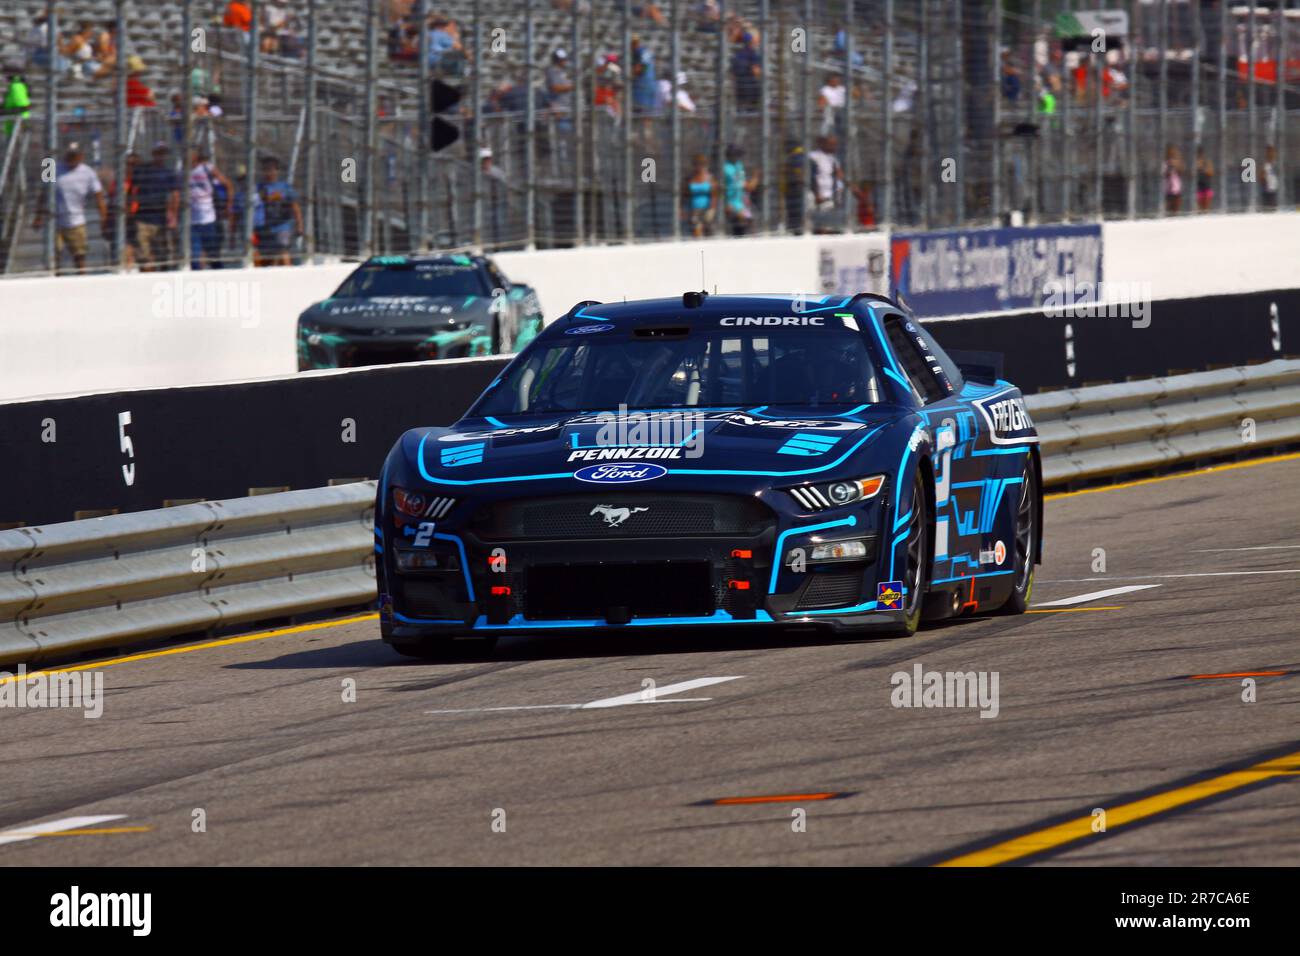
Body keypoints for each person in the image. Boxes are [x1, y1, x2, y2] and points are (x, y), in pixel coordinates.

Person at [32, 143, 106, 274]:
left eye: (75, 156)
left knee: (79, 255)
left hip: (76, 221)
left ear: (81, 156)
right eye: (69, 156)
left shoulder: (88, 172)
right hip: (54, 221)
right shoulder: (51, 168)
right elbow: (43, 194)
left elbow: (98, 195)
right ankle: (56, 278)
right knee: (54, 255)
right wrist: (38, 216)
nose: (71, 159)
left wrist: (103, 217)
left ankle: (81, 279)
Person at [132, 143, 180, 270]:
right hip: (142, 218)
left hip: (161, 219)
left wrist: (173, 216)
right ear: (153, 154)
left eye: (163, 153)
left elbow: (175, 194)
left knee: (162, 256)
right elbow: (132, 190)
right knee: (143, 256)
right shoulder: (142, 170)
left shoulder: (169, 173)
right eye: (158, 153)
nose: (161, 156)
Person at [253, 156, 302, 267]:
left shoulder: (284, 187)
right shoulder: (258, 188)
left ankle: (288, 273)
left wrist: (300, 226)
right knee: (265, 258)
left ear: (277, 170)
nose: (268, 172)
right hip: (264, 228)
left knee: (282, 250)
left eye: (271, 169)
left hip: (282, 227)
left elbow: (295, 207)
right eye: (265, 169)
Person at [188, 148, 233, 268]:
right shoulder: (183, 171)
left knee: (213, 255)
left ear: (196, 155)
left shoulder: (207, 168)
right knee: (195, 257)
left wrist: (228, 205)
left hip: (209, 219)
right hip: (192, 220)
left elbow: (228, 184)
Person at [808, 134, 844, 227]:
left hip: (830, 197)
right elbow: (811, 177)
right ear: (822, 144)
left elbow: (839, 176)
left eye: (835, 144)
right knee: (818, 225)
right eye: (831, 144)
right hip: (818, 197)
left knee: (829, 225)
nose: (834, 147)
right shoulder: (814, 157)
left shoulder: (833, 159)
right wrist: (817, 195)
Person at [722, 144, 757, 236]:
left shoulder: (738, 165)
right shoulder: (725, 168)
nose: (738, 157)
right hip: (731, 202)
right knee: (742, 219)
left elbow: (743, 183)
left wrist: (754, 178)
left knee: (749, 219)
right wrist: (726, 203)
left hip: (740, 202)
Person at [683, 153, 716, 237]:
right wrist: (683, 209)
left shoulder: (710, 178)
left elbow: (714, 194)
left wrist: (711, 208)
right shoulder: (689, 178)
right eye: (697, 164)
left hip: (707, 209)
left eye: (702, 164)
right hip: (694, 210)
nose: (699, 166)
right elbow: (684, 195)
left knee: (708, 232)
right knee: (697, 232)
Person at [731, 31, 762, 112]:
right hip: (751, 85)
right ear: (751, 42)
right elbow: (755, 70)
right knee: (753, 108)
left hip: (740, 85)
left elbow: (733, 73)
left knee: (741, 107)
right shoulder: (752, 54)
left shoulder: (738, 55)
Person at [1163, 145, 1184, 215]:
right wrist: (1169, 167)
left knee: (1176, 209)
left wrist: (1176, 165)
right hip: (1167, 189)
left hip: (1176, 188)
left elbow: (1182, 171)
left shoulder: (1177, 162)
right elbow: (1164, 174)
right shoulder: (1165, 163)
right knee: (1168, 208)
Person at [1194, 147, 1214, 212]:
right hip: (1198, 187)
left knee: (1206, 208)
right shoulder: (1194, 163)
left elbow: (1211, 172)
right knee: (1199, 208)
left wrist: (1203, 169)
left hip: (1206, 186)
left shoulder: (1206, 162)